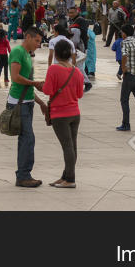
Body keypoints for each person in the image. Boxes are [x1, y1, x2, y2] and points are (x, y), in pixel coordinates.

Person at [41, 39, 84, 188]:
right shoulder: (76, 71)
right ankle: (65, 176)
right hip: (75, 113)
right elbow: (80, 94)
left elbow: (47, 90)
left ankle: (70, 180)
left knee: (67, 146)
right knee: (72, 146)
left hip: (60, 115)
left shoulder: (53, 69)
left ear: (56, 54)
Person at [7, 27, 46, 187]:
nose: (38, 44)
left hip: (27, 102)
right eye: (36, 40)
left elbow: (28, 87)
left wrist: (41, 102)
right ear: (27, 37)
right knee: (28, 139)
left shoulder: (28, 55)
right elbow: (15, 77)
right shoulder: (17, 52)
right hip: (18, 103)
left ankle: (24, 174)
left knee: (26, 139)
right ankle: (23, 176)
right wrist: (35, 83)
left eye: (40, 42)